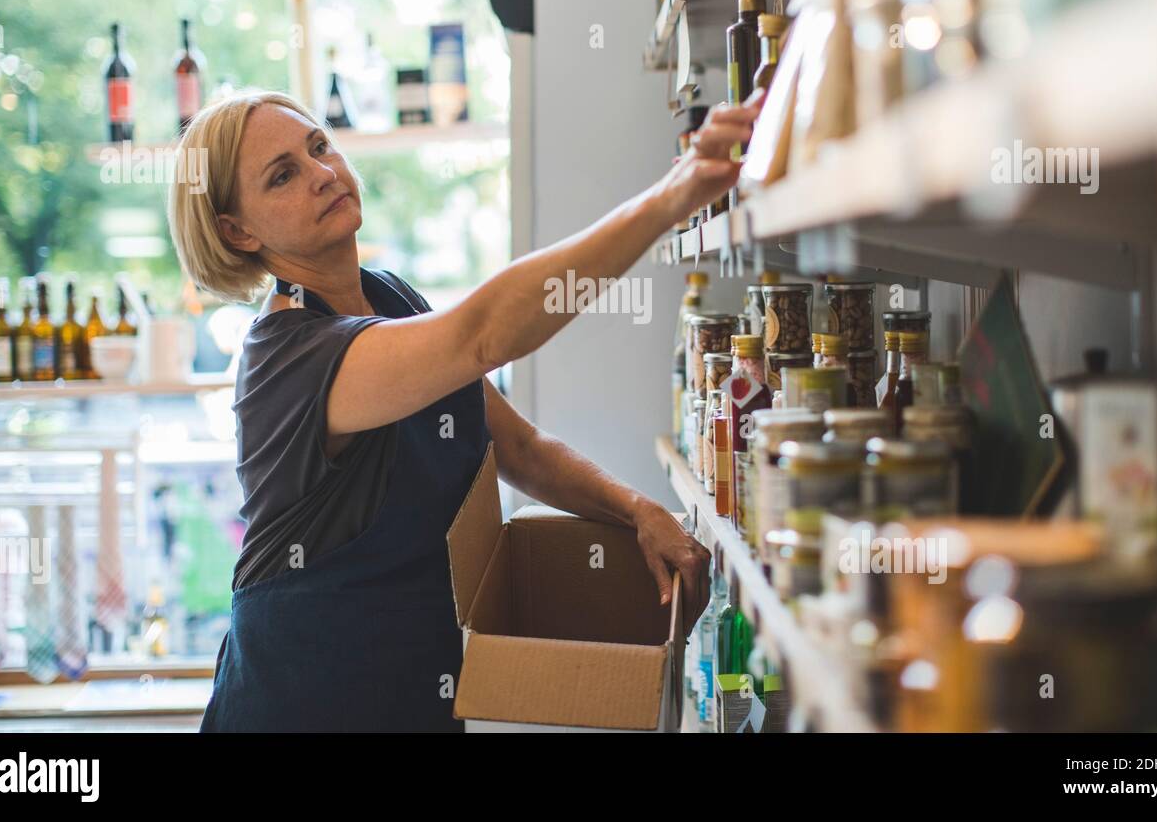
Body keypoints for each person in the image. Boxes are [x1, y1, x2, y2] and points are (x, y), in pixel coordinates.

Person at [166, 87, 763, 731]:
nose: (322, 174)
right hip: (300, 700)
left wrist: (639, 510)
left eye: (319, 146)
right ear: (238, 229)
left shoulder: (387, 296)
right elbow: (483, 332)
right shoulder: (288, 356)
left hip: (412, 691)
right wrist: (673, 195)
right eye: (283, 175)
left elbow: (519, 448)